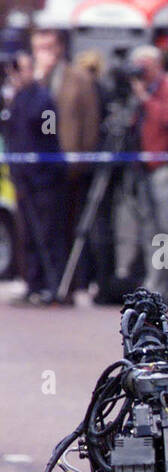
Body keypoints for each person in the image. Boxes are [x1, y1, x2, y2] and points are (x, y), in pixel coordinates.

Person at [31, 28, 99, 297]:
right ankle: (38, 283)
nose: (44, 52)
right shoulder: (31, 79)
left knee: (66, 228)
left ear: (60, 47)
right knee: (38, 227)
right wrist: (37, 79)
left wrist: (82, 158)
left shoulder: (79, 78)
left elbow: (91, 121)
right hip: (38, 168)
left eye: (49, 46)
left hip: (68, 167)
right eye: (39, 47)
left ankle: (65, 285)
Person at [3, 52, 69, 305]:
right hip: (23, 179)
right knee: (28, 234)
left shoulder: (43, 99)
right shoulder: (16, 99)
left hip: (44, 178)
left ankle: (54, 285)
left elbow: (50, 135)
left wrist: (42, 167)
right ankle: (33, 283)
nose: (17, 76)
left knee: (48, 233)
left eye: (21, 70)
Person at [126, 45, 168, 305]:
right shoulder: (139, 90)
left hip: (167, 166)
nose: (141, 70)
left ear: (157, 65)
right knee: (151, 230)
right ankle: (157, 284)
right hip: (144, 167)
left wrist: (146, 99)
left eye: (145, 65)